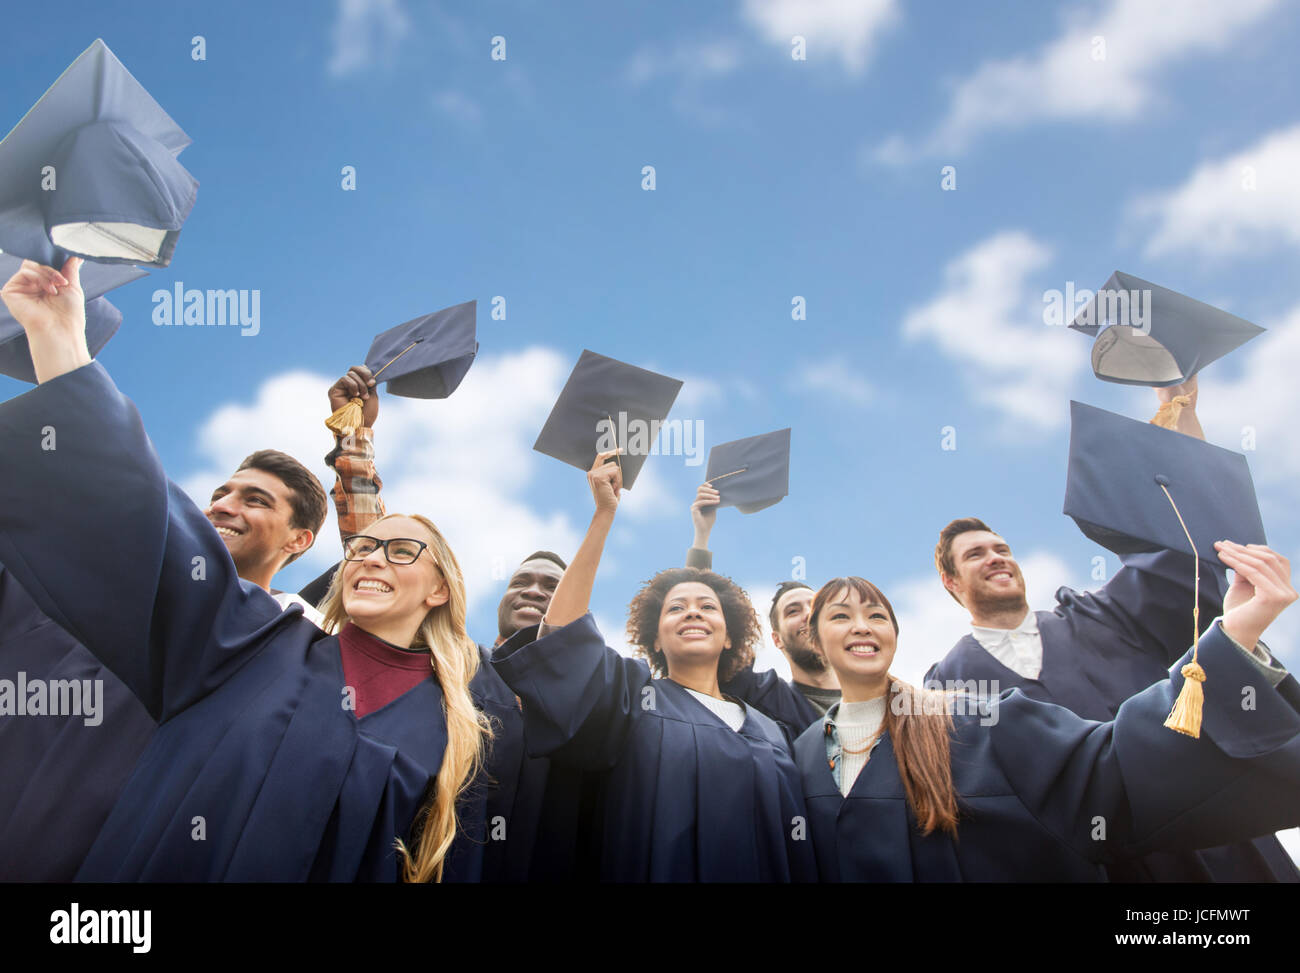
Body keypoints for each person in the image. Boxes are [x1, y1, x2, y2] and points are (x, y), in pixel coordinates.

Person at [0, 257, 495, 881]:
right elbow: (147, 521)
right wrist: (59, 339)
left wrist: (356, 447)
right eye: (363, 550)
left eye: (400, 552)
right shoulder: (257, 641)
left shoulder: (456, 724)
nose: (370, 557)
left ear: (443, 588)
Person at [924, 379, 1298, 881]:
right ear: (950, 581)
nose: (996, 557)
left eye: (1002, 548)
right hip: (1101, 864)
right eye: (975, 554)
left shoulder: (1105, 613)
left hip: (1220, 842)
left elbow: (1183, 550)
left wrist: (1176, 417)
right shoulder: (950, 682)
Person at [0, 331, 329, 882]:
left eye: (255, 500)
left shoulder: (281, 649)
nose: (223, 506)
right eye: (222, 493)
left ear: (298, 541)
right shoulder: (97, 588)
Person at [796, 560, 1300, 881]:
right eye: (840, 616)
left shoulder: (970, 716)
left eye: (877, 615)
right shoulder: (796, 758)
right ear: (814, 642)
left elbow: (1107, 768)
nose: (861, 625)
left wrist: (1230, 639)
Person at [491, 451, 817, 881]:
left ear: (731, 634)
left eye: (707, 607)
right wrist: (604, 515)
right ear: (656, 638)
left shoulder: (775, 730)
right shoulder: (629, 697)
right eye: (675, 608)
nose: (693, 613)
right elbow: (563, 639)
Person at [685, 483, 835, 730]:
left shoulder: (882, 701)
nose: (808, 615)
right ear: (777, 640)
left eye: (815, 607)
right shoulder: (763, 698)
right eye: (793, 611)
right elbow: (697, 615)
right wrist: (702, 536)